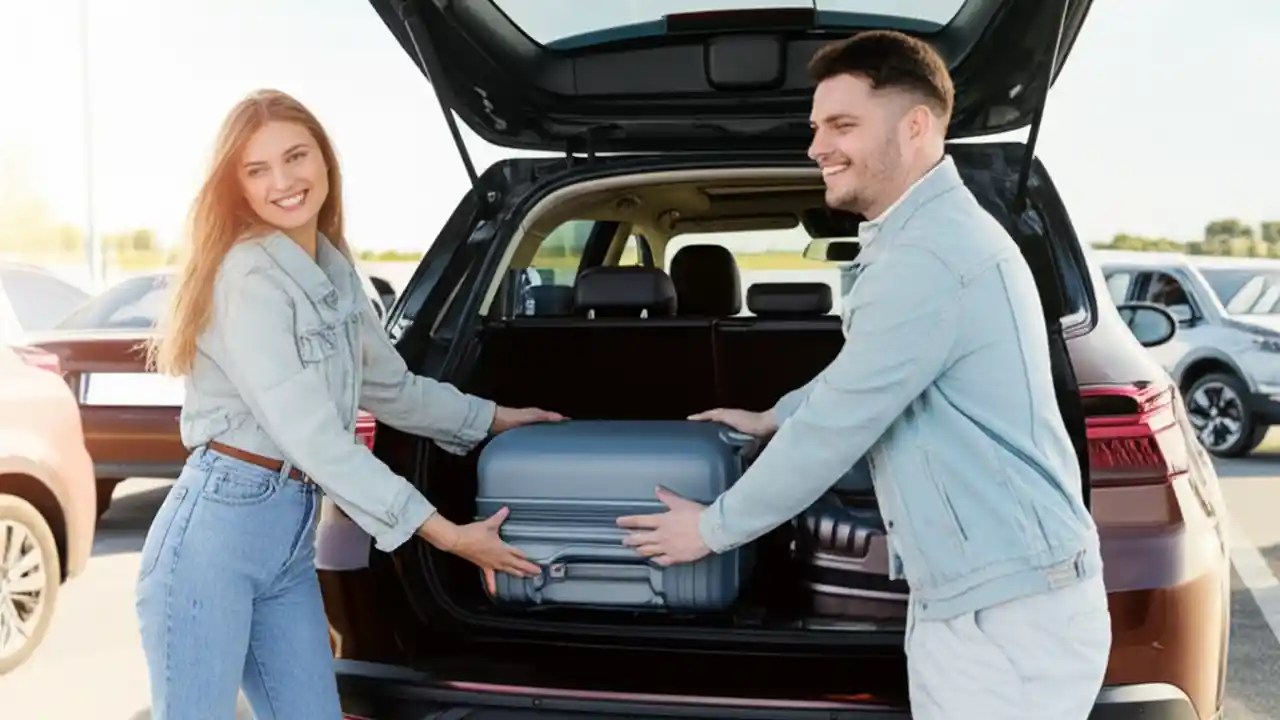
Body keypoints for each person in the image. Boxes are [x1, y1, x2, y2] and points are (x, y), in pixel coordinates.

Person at [617, 31, 1110, 719]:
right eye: (816, 126)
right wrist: (773, 416)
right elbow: (864, 373)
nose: (817, 146)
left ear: (915, 127)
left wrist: (713, 530)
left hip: (1005, 615)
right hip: (990, 596)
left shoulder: (930, 257)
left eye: (842, 125)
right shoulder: (920, 238)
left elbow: (838, 425)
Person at [137, 88, 562, 719]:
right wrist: (448, 536)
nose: (284, 181)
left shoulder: (332, 272)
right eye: (258, 170)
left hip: (286, 541)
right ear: (239, 188)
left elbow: (393, 390)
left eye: (295, 156)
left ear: (325, 161)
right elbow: (316, 440)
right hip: (213, 541)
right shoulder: (248, 279)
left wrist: (497, 419)